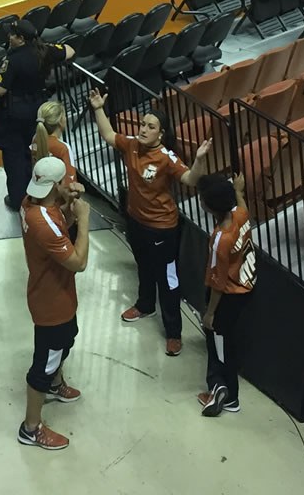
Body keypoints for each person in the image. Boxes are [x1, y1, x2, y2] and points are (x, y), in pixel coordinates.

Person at [87, 88, 213, 357]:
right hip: (136, 221)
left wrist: (200, 160)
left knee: (168, 280)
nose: (143, 129)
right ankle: (145, 305)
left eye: (150, 126)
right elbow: (109, 135)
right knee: (143, 266)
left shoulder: (167, 159)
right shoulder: (132, 144)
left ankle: (174, 332)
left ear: (161, 133)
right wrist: (98, 108)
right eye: (143, 124)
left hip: (163, 228)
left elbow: (191, 179)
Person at [17, 154, 88, 451]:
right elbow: (78, 262)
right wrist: (83, 220)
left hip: (57, 296)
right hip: (51, 303)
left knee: (67, 339)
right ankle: (30, 428)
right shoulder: (43, 222)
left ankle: (56, 384)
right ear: (56, 184)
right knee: (42, 366)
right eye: (66, 180)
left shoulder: (31, 203)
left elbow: (58, 224)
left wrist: (68, 209)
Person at [0, 21, 75, 209]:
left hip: (14, 115)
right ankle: (38, 194)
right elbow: (69, 50)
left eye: (13, 35)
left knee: (14, 158)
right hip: (38, 110)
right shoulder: (43, 51)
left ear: (21, 39)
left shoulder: (12, 60)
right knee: (35, 152)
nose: (9, 37)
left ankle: (17, 200)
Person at [197, 170, 253, 417]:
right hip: (245, 286)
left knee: (222, 346)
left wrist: (210, 313)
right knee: (225, 341)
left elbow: (218, 282)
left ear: (209, 207)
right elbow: (243, 208)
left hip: (227, 296)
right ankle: (219, 385)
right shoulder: (239, 216)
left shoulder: (221, 240)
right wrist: (239, 192)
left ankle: (230, 396)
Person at [31, 100, 74, 184]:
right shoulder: (63, 147)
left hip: (39, 188)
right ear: (60, 122)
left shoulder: (35, 140)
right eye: (65, 116)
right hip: (58, 193)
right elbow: (70, 178)